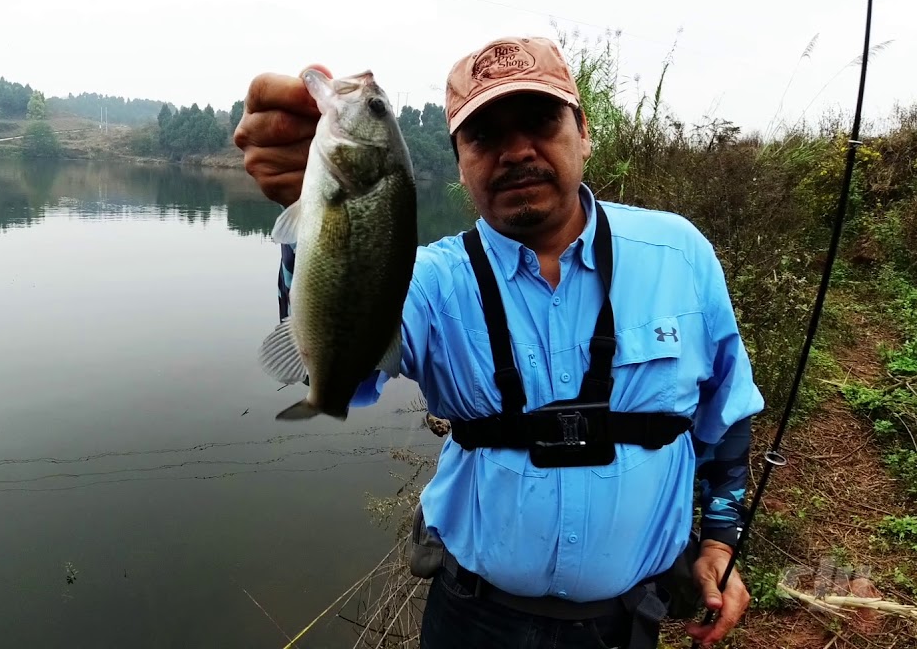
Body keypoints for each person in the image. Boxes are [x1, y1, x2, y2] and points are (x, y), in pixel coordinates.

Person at [233, 35, 763, 649]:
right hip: (472, 619)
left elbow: (726, 417)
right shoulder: (425, 280)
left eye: (539, 120)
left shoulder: (680, 253)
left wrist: (720, 542)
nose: (515, 151)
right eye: (483, 136)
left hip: (627, 621)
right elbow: (329, 369)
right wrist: (311, 217)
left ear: (582, 130)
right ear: (458, 160)